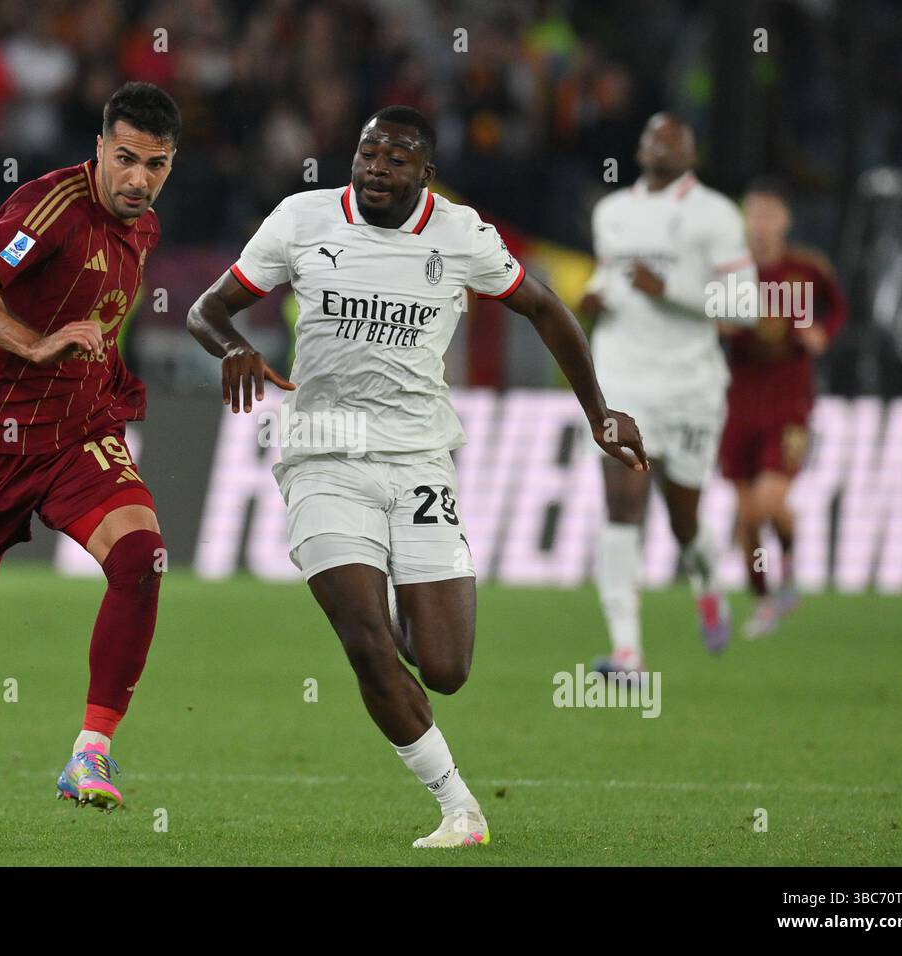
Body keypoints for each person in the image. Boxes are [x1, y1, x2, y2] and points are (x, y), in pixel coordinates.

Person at [186, 106, 647, 847]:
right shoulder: (302, 219)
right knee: (367, 642)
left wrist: (599, 413)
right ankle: (460, 807)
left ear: (423, 174)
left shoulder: (461, 235)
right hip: (322, 457)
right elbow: (207, 310)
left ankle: (399, 605)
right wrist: (232, 346)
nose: (376, 168)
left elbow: (546, 308)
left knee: (445, 668)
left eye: (396, 159)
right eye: (368, 153)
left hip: (420, 458)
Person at [0, 81, 180, 812]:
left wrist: (101, 380)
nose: (139, 179)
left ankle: (91, 754)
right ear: (98, 150)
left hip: (78, 434)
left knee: (140, 556)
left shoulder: (141, 229)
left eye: (156, 164)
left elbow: (101, 316)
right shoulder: (51, 207)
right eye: (125, 159)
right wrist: (35, 343)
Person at [578, 113, 758, 678]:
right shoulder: (612, 213)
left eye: (673, 138)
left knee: (684, 519)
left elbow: (746, 307)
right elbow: (610, 278)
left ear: (692, 155)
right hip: (622, 380)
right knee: (622, 504)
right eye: (652, 135)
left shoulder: (715, 215)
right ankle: (628, 652)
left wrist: (673, 290)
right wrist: (594, 296)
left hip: (689, 386)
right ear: (638, 148)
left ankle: (707, 585)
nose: (661, 144)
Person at [721, 178, 846, 637]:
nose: (762, 223)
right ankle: (765, 599)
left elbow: (837, 308)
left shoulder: (807, 270)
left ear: (785, 220)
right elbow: (708, 319)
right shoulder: (731, 272)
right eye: (754, 213)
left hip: (790, 406)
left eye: (770, 214)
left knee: (770, 501)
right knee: (748, 517)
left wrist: (823, 334)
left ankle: (789, 570)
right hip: (739, 405)